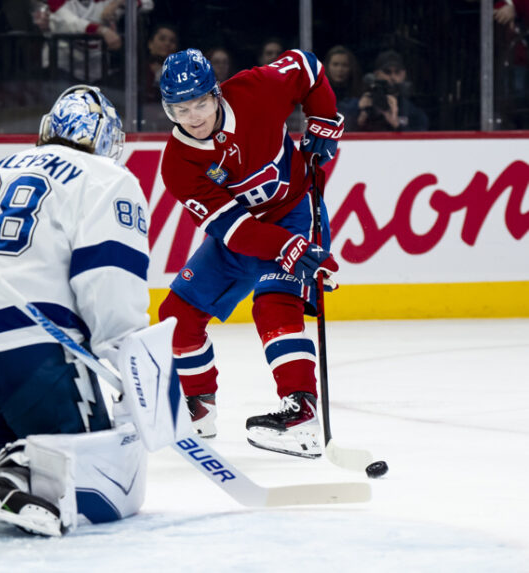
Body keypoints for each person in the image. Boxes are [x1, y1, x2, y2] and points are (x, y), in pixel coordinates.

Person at [0, 85, 152, 535]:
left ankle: (7, 466)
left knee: (16, 445)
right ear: (105, 138)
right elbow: (108, 276)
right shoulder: (108, 177)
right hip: (25, 359)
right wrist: (132, 366)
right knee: (111, 488)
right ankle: (32, 470)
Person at [156, 48, 341, 458]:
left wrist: (324, 120)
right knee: (176, 317)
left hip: (295, 213)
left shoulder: (256, 90)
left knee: (274, 302)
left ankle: (302, 411)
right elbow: (234, 230)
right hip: (244, 236)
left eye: (201, 103)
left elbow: (308, 68)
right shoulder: (178, 165)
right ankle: (199, 410)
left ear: (216, 93)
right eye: (180, 109)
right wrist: (283, 247)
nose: (195, 117)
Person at [357, 49, 428, 132]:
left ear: (404, 74)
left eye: (397, 72)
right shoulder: (360, 104)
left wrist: (396, 124)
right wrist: (359, 114)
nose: (393, 77)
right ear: (376, 74)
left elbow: (420, 141)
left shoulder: (414, 112)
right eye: (387, 72)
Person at [324, 45, 362, 131]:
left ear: (351, 68)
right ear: (327, 66)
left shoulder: (359, 91)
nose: (340, 69)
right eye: (335, 64)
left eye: (345, 65)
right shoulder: (317, 92)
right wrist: (357, 106)